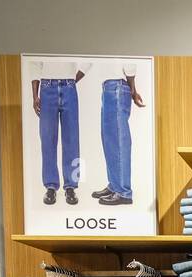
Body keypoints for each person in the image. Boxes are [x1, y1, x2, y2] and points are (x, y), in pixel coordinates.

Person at [32, 59, 89, 205]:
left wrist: (73, 81)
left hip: (69, 87)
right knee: (47, 138)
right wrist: (35, 95)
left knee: (72, 138)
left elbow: (88, 61)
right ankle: (50, 186)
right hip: (46, 88)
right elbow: (33, 64)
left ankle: (72, 186)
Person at [93, 60, 146, 206]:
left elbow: (129, 63)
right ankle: (114, 185)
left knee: (118, 140)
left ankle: (123, 192)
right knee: (109, 140)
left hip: (117, 87)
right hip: (109, 88)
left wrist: (133, 90)